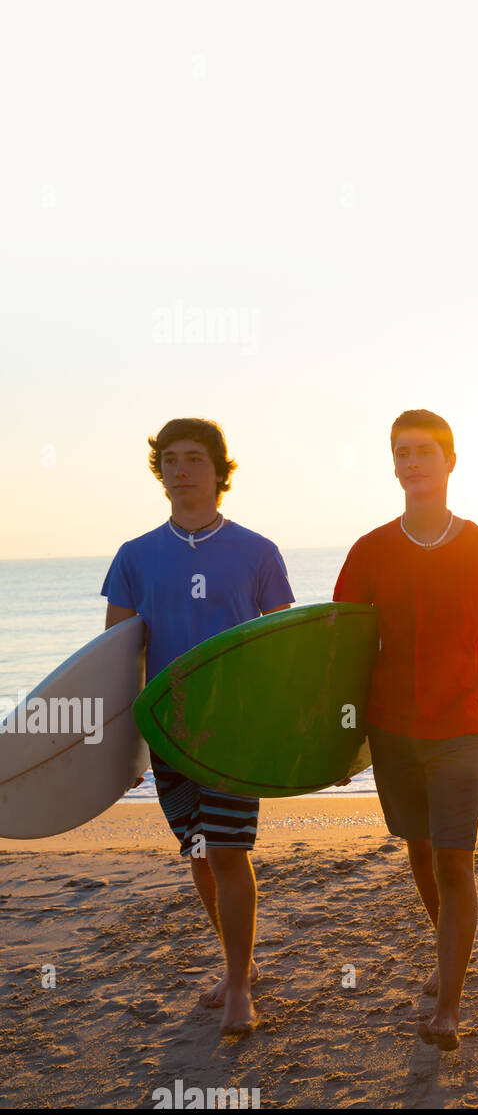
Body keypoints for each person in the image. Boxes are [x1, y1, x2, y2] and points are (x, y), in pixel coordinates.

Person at [103, 418, 293, 1035]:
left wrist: (285, 729)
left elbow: (286, 647)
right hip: (169, 732)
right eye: (170, 460)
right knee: (201, 853)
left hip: (235, 733)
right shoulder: (134, 556)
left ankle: (239, 985)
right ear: (159, 472)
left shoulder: (258, 551)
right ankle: (238, 962)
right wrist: (122, 749)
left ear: (219, 471)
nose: (181, 470)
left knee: (231, 854)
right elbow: (116, 657)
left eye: (194, 459)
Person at [333, 410, 478, 1051]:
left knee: (456, 859)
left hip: (460, 728)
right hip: (391, 730)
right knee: (420, 851)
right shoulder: (371, 549)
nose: (412, 463)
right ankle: (450, 947)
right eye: (401, 453)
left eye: (424, 452)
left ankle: (449, 1009)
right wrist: (336, 732)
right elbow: (343, 644)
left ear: (451, 462)